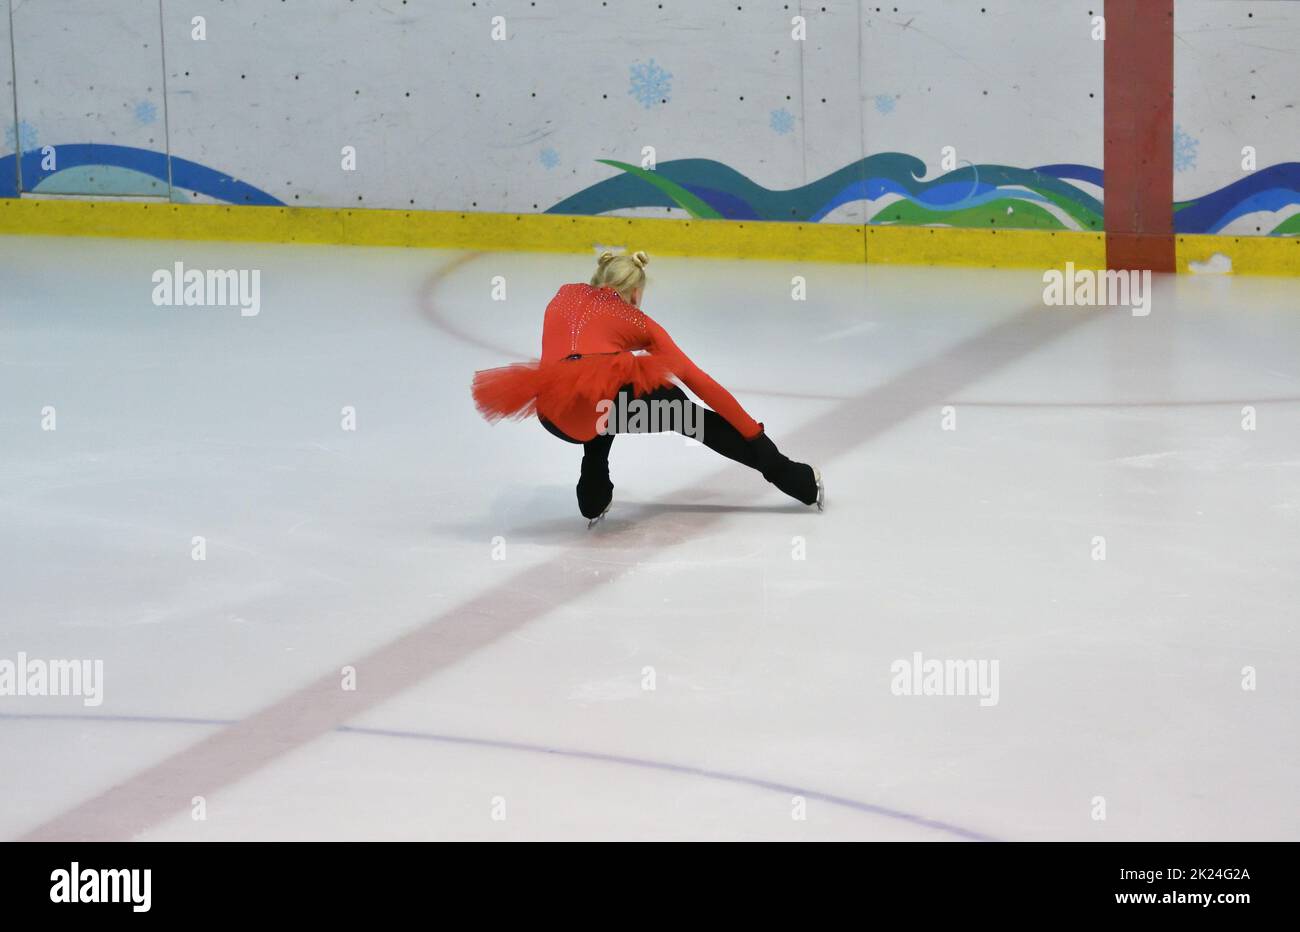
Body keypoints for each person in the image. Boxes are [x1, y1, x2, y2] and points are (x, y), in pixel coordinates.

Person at [471, 250, 823, 523]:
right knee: (682, 411)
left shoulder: (563, 296)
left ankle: (593, 495)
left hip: (551, 412)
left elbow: (570, 360)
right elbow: (697, 379)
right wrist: (757, 438)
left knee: (605, 388)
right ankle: (789, 475)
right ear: (636, 292)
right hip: (602, 410)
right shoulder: (636, 319)